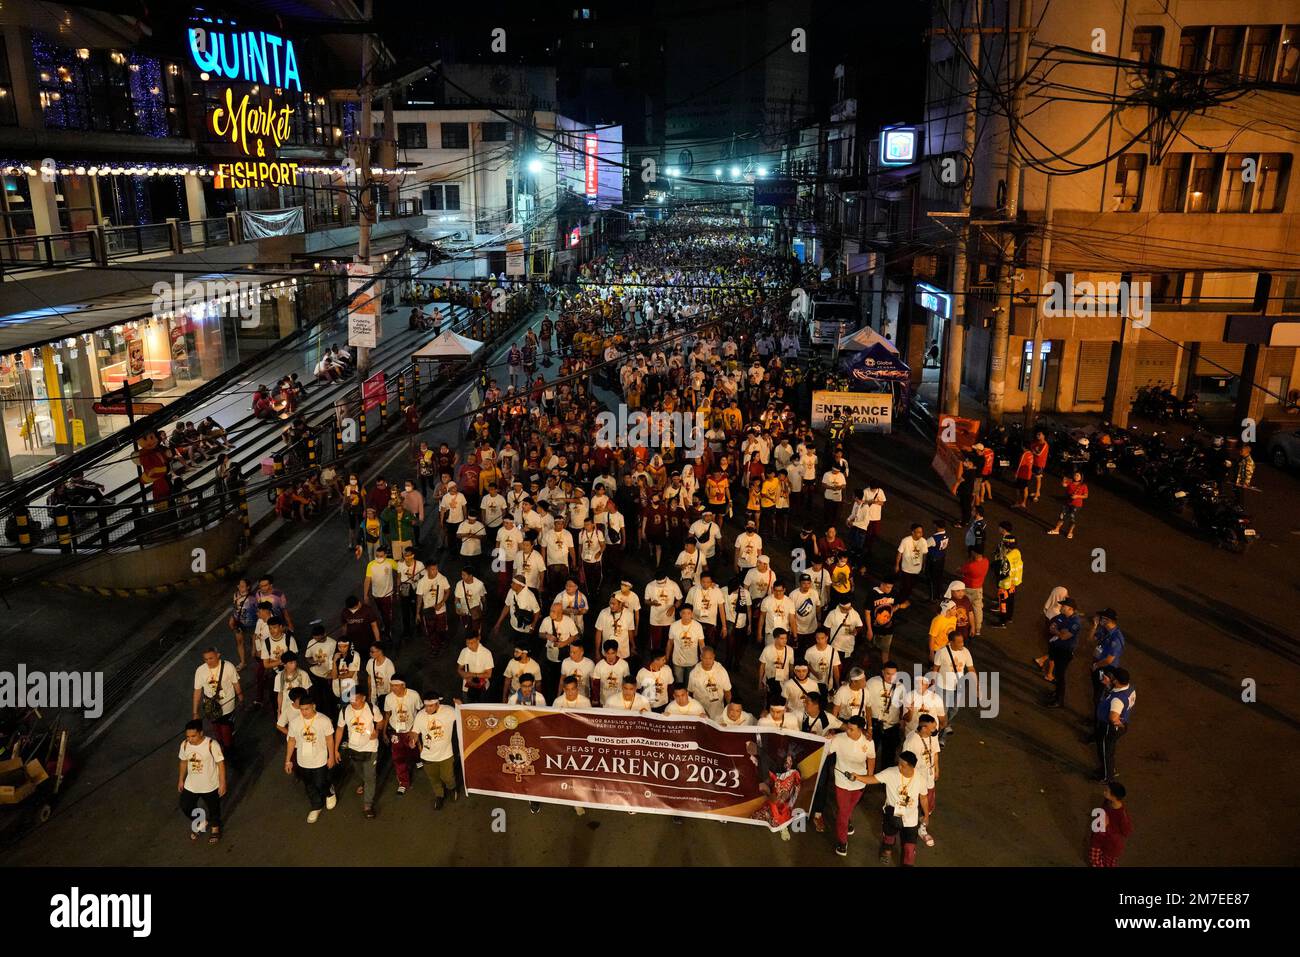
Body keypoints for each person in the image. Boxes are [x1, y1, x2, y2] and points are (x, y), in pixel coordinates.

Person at [858, 750, 930, 867]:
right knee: (889, 837)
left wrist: (926, 815)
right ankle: (887, 852)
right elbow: (872, 779)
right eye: (899, 763)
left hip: (910, 819)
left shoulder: (920, 779)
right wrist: (857, 777)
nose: (899, 766)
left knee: (910, 847)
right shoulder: (891, 773)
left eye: (902, 765)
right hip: (892, 814)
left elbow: (924, 798)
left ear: (911, 767)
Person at [826, 715, 876, 857]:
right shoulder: (839, 739)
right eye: (847, 727)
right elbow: (827, 751)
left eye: (851, 729)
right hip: (841, 780)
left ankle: (848, 820)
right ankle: (842, 842)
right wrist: (827, 739)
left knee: (848, 808)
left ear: (861, 730)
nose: (848, 731)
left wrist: (869, 777)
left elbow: (871, 757)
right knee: (843, 811)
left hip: (860, 780)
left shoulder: (868, 741)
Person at [284, 696, 337, 824]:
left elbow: (330, 739)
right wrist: (288, 760)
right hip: (303, 760)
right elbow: (291, 740)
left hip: (320, 759)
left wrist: (331, 757)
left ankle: (329, 792)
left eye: (307, 709)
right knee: (309, 785)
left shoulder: (323, 720)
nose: (304, 712)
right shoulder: (295, 722)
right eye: (301, 709)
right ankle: (316, 806)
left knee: (320, 782)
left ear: (313, 706)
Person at [335, 687, 384, 819]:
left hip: (370, 747)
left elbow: (380, 722)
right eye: (350, 699)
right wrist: (335, 750)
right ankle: (364, 782)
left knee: (370, 776)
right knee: (358, 770)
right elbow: (340, 729)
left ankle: (368, 805)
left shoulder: (372, 708)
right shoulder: (345, 710)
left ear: (363, 698)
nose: (353, 702)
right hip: (353, 748)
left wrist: (377, 732)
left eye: (356, 699)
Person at [177, 719, 226, 844]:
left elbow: (220, 764)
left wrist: (222, 783)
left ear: (201, 733)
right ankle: (201, 821)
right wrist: (181, 780)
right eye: (188, 736)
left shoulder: (211, 744)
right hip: (191, 784)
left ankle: (215, 828)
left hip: (209, 784)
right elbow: (183, 762)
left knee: (214, 808)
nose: (190, 739)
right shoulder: (184, 745)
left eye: (193, 736)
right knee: (185, 806)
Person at [411, 695, 459, 810]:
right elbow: (415, 731)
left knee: (448, 777)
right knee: (434, 778)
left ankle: (452, 788)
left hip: (446, 754)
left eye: (431, 706)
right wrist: (413, 740)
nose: (427, 709)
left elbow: (464, 717)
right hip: (428, 755)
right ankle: (439, 795)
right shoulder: (420, 715)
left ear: (438, 704)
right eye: (426, 706)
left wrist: (460, 706)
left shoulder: (448, 711)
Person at [901, 715, 941, 847]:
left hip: (928, 775)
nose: (935, 730)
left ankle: (922, 826)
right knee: (912, 803)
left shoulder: (932, 736)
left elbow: (934, 752)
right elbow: (905, 762)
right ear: (924, 728)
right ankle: (907, 826)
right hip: (916, 777)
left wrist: (936, 768)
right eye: (932, 727)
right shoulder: (911, 741)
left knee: (928, 803)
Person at [192, 648, 242, 751]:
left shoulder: (228, 666)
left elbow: (235, 683)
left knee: (225, 731)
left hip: (227, 705)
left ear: (218, 655)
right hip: (211, 707)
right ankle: (221, 746)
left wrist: (241, 697)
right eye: (206, 659)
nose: (208, 661)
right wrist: (195, 712)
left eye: (211, 658)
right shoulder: (200, 671)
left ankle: (229, 750)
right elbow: (197, 692)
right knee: (216, 729)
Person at [1093, 667, 1135, 782]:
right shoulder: (1130, 689)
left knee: (1104, 751)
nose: (1111, 679)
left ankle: (1107, 777)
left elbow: (1113, 718)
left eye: (1113, 678)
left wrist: (1120, 725)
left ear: (1116, 681)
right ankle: (1109, 770)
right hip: (1118, 726)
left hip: (1109, 728)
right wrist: (1108, 685)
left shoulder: (1117, 700)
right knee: (1109, 749)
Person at [383, 678, 421, 796]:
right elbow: (388, 714)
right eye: (391, 686)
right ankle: (403, 783)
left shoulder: (413, 695)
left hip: (411, 729)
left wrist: (417, 730)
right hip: (395, 731)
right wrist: (384, 731)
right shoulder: (389, 698)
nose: (393, 688)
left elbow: (420, 712)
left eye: (396, 686)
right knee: (397, 757)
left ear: (403, 685)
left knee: (412, 748)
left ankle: (417, 758)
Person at [1088, 781, 1133, 867]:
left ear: (1114, 797)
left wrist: (1107, 827)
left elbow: (1127, 832)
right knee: (1094, 860)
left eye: (1107, 791)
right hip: (1099, 839)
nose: (1104, 792)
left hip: (1111, 845)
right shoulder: (1107, 802)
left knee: (1107, 864)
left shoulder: (1122, 815)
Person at [1090, 608, 1125, 706]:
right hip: (1098, 665)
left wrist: (1096, 665)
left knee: (1099, 696)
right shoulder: (1104, 630)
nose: (1100, 619)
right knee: (1096, 693)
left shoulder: (1116, 638)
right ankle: (1095, 719)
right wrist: (1095, 626)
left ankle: (1097, 721)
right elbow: (1091, 639)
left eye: (1102, 618)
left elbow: (1109, 660)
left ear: (1108, 620)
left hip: (1105, 669)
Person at [894, 524, 929, 604]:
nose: (920, 534)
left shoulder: (923, 541)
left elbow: (924, 555)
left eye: (921, 532)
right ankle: (898, 601)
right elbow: (899, 553)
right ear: (913, 532)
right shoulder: (906, 540)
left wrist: (924, 566)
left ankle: (903, 599)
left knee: (910, 587)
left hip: (916, 570)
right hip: (906, 569)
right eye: (918, 532)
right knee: (905, 587)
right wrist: (897, 565)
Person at [1048, 470, 1089, 538]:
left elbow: (1086, 496)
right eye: (1075, 475)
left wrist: (1077, 496)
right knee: (1061, 516)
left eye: (1078, 476)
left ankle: (1070, 533)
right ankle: (1056, 530)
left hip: (1076, 505)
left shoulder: (1083, 485)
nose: (1076, 477)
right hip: (1067, 503)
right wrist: (1064, 479)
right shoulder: (1070, 482)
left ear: (1081, 477)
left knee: (1071, 518)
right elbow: (1064, 485)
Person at [457, 632, 495, 702]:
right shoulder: (464, 651)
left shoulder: (486, 653)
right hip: (467, 687)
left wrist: (471, 675)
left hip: (482, 686)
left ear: (478, 640)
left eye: (472, 643)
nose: (469, 646)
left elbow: (488, 674)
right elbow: (459, 669)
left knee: (481, 707)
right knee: (467, 706)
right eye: (467, 643)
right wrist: (465, 676)